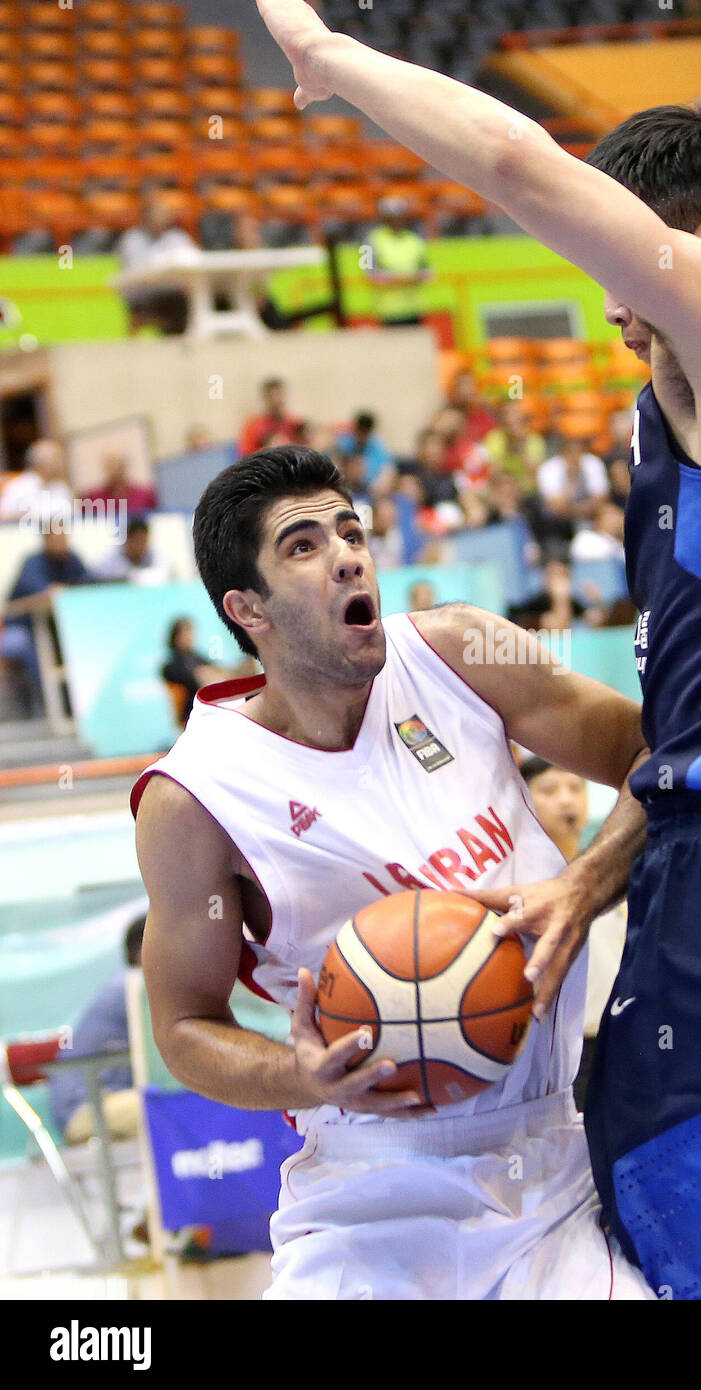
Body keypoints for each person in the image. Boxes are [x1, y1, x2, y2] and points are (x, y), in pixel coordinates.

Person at [257, 0, 701, 1301]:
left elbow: (518, 163)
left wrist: (333, 59)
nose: (620, 326)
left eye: (632, 293)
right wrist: (595, 872)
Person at [133, 445, 654, 1300]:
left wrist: (583, 886)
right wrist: (296, 1076)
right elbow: (184, 1026)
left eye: (352, 532)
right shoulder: (196, 797)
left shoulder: (460, 651)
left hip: (548, 1161)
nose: (347, 556)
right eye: (303, 546)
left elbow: (653, 754)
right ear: (247, 608)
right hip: (366, 1186)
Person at [519, 756, 626, 1111]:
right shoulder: (519, 883)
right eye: (549, 790)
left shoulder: (615, 875)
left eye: (576, 788)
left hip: (616, 1040)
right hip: (558, 1046)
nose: (566, 800)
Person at [49, 918, 145, 1146]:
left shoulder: (132, 986)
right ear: (145, 950)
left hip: (107, 1099)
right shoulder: (132, 988)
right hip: (85, 1109)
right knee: (182, 1108)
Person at [0, 528, 94, 716]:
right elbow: (42, 593)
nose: (62, 541)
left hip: (54, 627)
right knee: (29, 645)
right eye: (57, 537)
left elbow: (89, 584)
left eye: (64, 536)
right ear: (46, 540)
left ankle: (78, 704)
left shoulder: (72, 560)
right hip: (22, 626)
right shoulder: (33, 562)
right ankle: (47, 705)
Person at [117, 189, 197, 336]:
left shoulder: (177, 237)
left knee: (188, 298)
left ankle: (183, 337)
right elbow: (136, 272)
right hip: (145, 293)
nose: (162, 217)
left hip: (173, 290)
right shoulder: (132, 239)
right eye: (158, 213)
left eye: (164, 213)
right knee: (176, 300)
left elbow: (193, 260)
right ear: (146, 216)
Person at [161, 616, 250, 723]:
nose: (189, 637)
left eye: (190, 632)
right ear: (176, 636)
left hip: (211, 706)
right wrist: (205, 674)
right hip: (196, 711)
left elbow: (217, 668)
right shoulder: (172, 664)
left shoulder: (194, 656)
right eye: (185, 633)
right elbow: (196, 678)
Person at [364, 196, 433, 328]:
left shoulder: (415, 240)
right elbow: (369, 275)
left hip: (414, 309)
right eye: (391, 217)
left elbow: (428, 272)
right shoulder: (369, 241)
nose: (396, 221)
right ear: (384, 218)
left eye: (399, 216)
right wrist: (402, 279)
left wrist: (414, 278)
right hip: (386, 312)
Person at [0, 439, 73, 525]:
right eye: (56, 459)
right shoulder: (18, 487)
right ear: (40, 463)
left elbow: (74, 516)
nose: (61, 464)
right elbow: (4, 517)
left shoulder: (61, 487)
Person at [238, 378, 306, 458]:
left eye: (279, 396)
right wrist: (267, 450)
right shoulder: (253, 426)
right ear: (265, 399)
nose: (276, 401)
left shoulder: (295, 423)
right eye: (272, 396)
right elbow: (245, 455)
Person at [94, 518, 172, 586]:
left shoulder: (155, 554)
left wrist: (134, 577)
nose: (140, 545)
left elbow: (163, 574)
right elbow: (98, 576)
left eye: (143, 541)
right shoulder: (111, 559)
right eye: (137, 540)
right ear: (127, 540)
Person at [81, 452, 157, 518]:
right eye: (111, 465)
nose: (115, 470)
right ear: (105, 468)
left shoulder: (145, 496)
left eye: (118, 465)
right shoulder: (92, 498)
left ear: (125, 466)